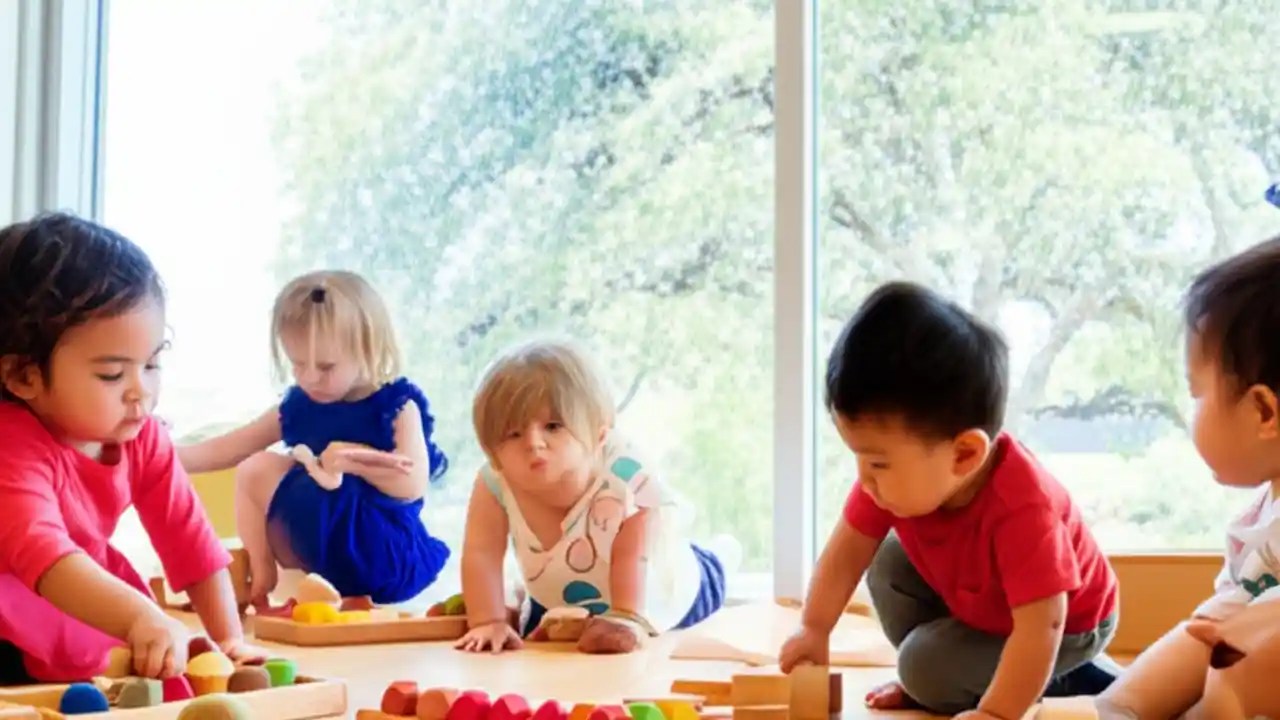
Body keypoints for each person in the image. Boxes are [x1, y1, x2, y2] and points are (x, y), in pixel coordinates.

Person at [779, 281, 1119, 719]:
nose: (864, 478)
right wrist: (813, 627)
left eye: (878, 463)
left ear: (965, 454)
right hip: (989, 610)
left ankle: (1062, 677)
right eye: (858, 457)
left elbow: (1044, 625)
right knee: (888, 562)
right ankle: (960, 676)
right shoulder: (893, 480)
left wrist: (995, 713)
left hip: (1067, 627)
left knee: (922, 668)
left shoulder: (1023, 508)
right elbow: (846, 553)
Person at [0, 213, 261, 683]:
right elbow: (46, 556)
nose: (141, 392)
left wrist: (229, 641)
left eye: (153, 363)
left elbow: (190, 540)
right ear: (24, 377)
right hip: (20, 592)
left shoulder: (141, 435)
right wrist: (140, 615)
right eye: (112, 375)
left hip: (78, 586)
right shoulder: (11, 445)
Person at [178, 270, 450, 606]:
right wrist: (155, 452)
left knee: (297, 476)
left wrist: (354, 460)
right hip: (321, 545)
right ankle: (261, 574)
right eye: (297, 364)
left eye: (326, 367)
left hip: (380, 547)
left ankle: (329, 587)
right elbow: (228, 448)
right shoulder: (299, 406)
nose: (309, 378)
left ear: (369, 349)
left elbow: (412, 486)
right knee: (254, 467)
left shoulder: (395, 407)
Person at [1098, 236, 1280, 718]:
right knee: (1211, 634)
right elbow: (1215, 625)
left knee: (1234, 657)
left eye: (1196, 391)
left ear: (1264, 410)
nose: (1190, 411)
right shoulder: (1265, 512)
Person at [455, 339, 732, 654]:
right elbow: (481, 553)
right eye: (513, 433)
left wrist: (626, 618)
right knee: (548, 623)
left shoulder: (624, 474)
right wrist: (487, 620)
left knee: (710, 570)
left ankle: (723, 554)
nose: (533, 443)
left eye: (553, 426)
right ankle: (523, 597)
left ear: (599, 434)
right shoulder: (495, 481)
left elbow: (634, 552)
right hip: (565, 598)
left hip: (658, 589)